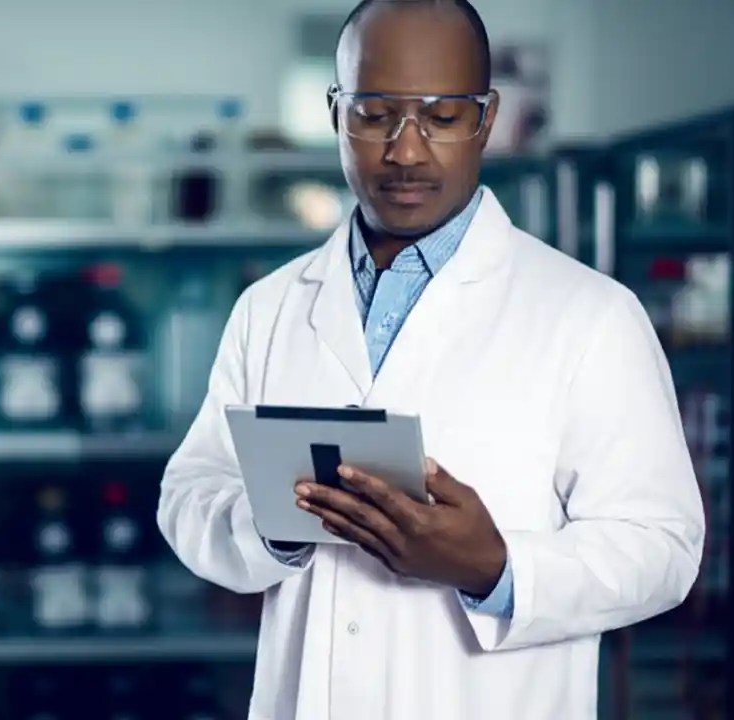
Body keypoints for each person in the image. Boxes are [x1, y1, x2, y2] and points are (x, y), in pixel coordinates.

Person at [156, 1, 705, 718]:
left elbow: (663, 550)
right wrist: (270, 527)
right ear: (336, 113)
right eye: (375, 115)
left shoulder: (590, 315)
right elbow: (190, 493)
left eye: (442, 117)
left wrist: (494, 566)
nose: (407, 151)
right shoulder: (270, 307)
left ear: (486, 118)